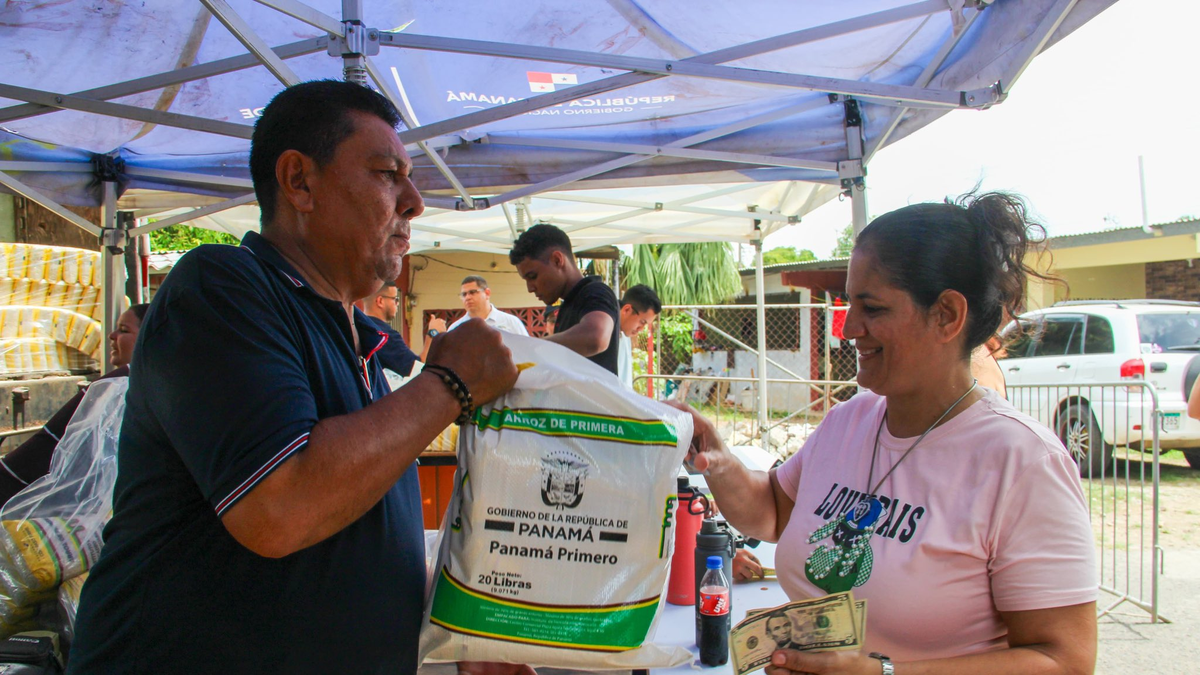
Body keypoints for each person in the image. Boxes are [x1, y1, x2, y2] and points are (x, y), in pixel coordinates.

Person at [67, 81, 520, 675]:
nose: (414, 200)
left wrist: (456, 625)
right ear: (299, 181)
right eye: (388, 173)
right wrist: (448, 383)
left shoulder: (350, 337)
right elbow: (278, 505)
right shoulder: (223, 288)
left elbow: (350, 534)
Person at [673, 192, 1097, 675]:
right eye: (847, 304)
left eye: (871, 308)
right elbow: (773, 512)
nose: (848, 328)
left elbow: (1063, 660)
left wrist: (884, 673)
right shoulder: (849, 420)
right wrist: (719, 460)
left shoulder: (1022, 462)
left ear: (946, 316)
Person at [0, 304, 149, 504]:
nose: (111, 335)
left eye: (123, 330)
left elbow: (46, 446)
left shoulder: (116, 384)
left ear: (150, 336)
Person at [510, 224, 620, 375]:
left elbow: (596, 338)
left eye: (533, 277)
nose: (530, 288)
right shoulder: (568, 304)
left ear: (557, 260)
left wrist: (532, 347)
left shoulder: (595, 291)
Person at [359, 280, 445, 376]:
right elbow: (417, 371)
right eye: (395, 299)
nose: (398, 304)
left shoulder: (357, 326)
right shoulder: (384, 335)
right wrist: (433, 334)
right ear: (380, 301)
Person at [448, 275, 529, 336]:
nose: (467, 297)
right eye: (464, 294)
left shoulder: (510, 323)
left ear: (487, 293)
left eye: (472, 292)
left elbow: (526, 351)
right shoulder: (455, 328)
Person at [616, 284, 661, 389]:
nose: (641, 329)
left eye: (645, 325)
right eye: (642, 322)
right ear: (627, 310)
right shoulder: (605, 331)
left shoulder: (625, 335)